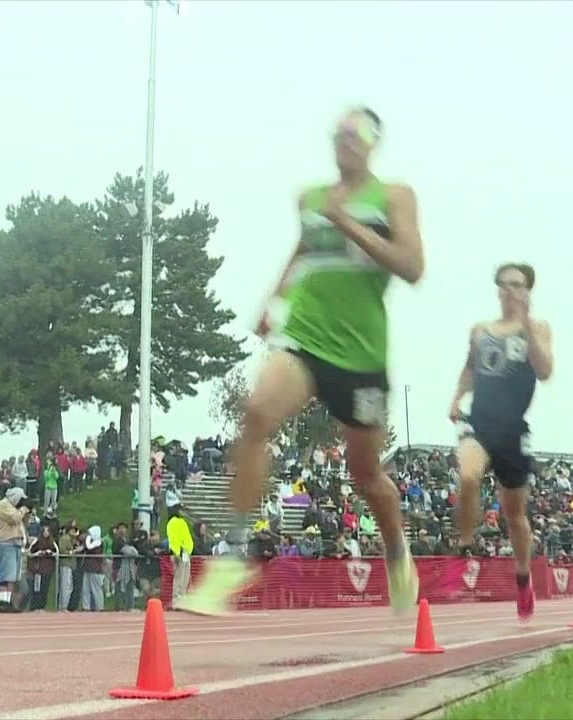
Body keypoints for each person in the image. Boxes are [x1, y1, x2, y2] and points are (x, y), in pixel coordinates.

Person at [176, 106, 424, 616]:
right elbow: (304, 249)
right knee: (257, 414)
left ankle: (396, 548)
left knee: (365, 473)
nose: (344, 142)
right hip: (306, 339)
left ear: (373, 142)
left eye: (355, 135)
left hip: (361, 357)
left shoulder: (394, 196)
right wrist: (276, 298)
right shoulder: (311, 199)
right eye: (338, 134)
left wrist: (349, 224)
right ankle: (234, 556)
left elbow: (412, 266)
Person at [446, 262, 553, 620]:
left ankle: (523, 575)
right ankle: (464, 544)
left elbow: (545, 371)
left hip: (514, 431)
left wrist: (526, 326)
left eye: (517, 284)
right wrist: (456, 398)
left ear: (528, 291)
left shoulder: (537, 329)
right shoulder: (481, 331)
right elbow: (469, 368)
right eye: (504, 284)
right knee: (468, 475)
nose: (510, 290)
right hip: (480, 423)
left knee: (515, 516)